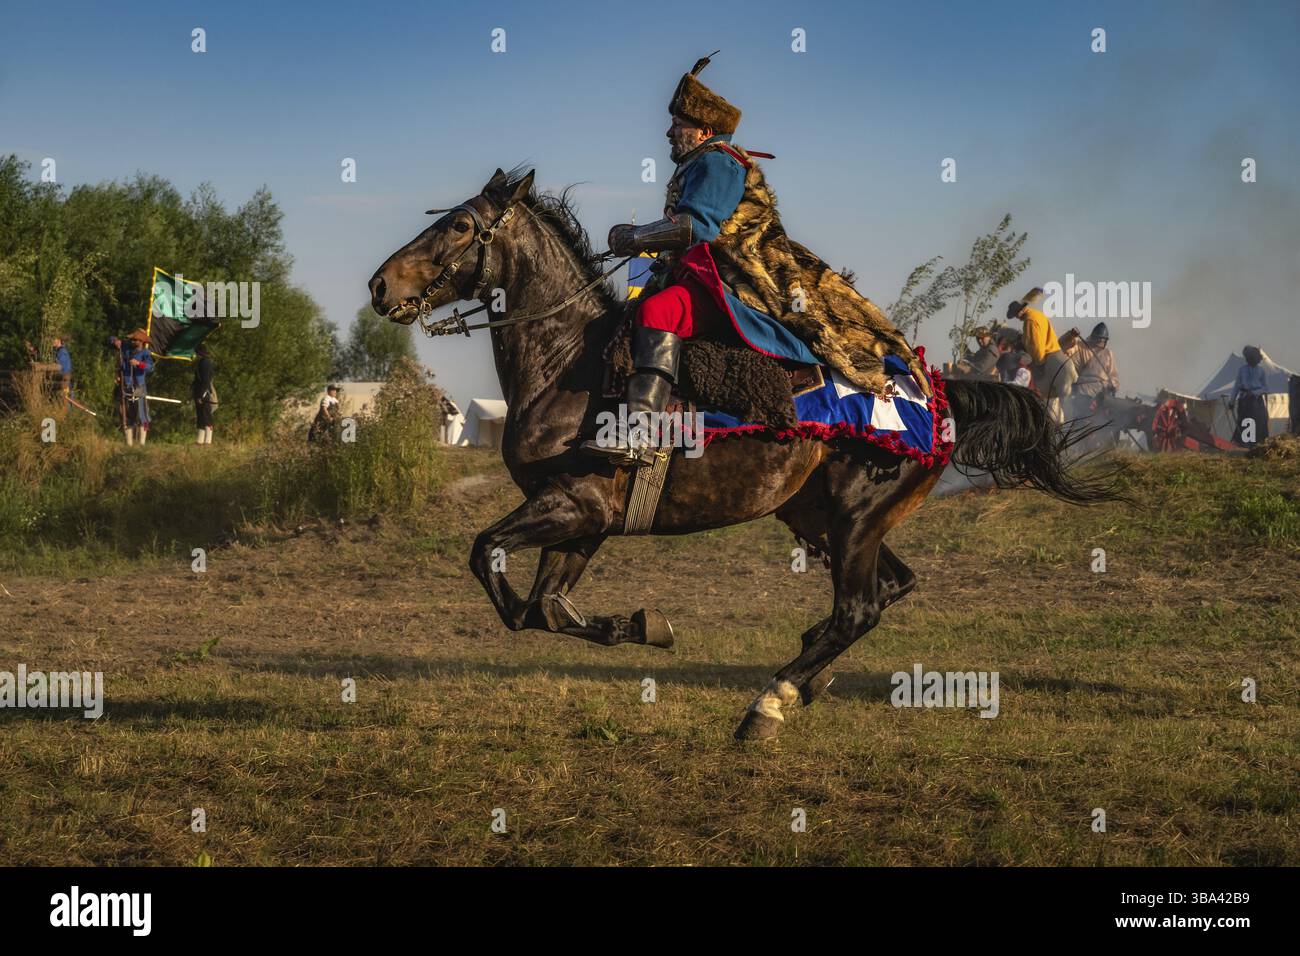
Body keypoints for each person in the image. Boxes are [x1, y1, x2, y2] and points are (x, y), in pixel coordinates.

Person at [582, 53, 928, 464]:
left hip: (738, 281)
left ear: (703, 130)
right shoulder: (699, 163)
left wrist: (635, 237)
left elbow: (699, 227)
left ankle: (638, 434)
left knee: (658, 311)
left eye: (678, 125)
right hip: (703, 275)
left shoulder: (718, 160)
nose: (669, 132)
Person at [1007, 287, 1076, 423]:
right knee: (1062, 404)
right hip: (1057, 356)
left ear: (1020, 311)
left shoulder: (1030, 321)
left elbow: (1037, 349)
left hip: (1049, 360)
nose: (1016, 317)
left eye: (1016, 314)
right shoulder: (1037, 315)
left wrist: (1037, 365)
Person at [108, 329, 154, 445]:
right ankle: (129, 444)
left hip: (139, 386)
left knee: (143, 416)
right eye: (132, 339)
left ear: (141, 341)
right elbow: (111, 339)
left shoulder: (145, 353)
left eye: (135, 340)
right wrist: (115, 342)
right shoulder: (126, 348)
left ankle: (142, 444)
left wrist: (139, 364)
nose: (132, 341)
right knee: (129, 415)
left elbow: (150, 367)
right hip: (127, 386)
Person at [1066, 322, 1120, 417]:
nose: (1100, 342)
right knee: (1080, 419)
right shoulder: (1080, 346)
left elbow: (1113, 375)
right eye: (1098, 339)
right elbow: (1065, 347)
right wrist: (1070, 336)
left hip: (1102, 395)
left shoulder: (1108, 353)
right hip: (1083, 392)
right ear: (1093, 337)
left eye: (1102, 340)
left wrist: (1114, 385)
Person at [1231, 345, 1270, 446]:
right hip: (1244, 400)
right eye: (1248, 357)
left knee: (1258, 421)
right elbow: (1237, 386)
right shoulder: (1242, 370)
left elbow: (1265, 388)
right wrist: (1231, 401)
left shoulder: (1261, 371)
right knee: (1244, 421)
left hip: (1256, 401)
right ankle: (1245, 444)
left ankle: (1257, 443)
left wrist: (1253, 393)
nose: (1250, 359)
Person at [191, 343, 216, 445]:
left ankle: (207, 441)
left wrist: (202, 395)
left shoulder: (205, 363)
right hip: (199, 393)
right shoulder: (202, 362)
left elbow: (206, 380)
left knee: (206, 417)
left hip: (204, 394)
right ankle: (200, 440)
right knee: (200, 417)